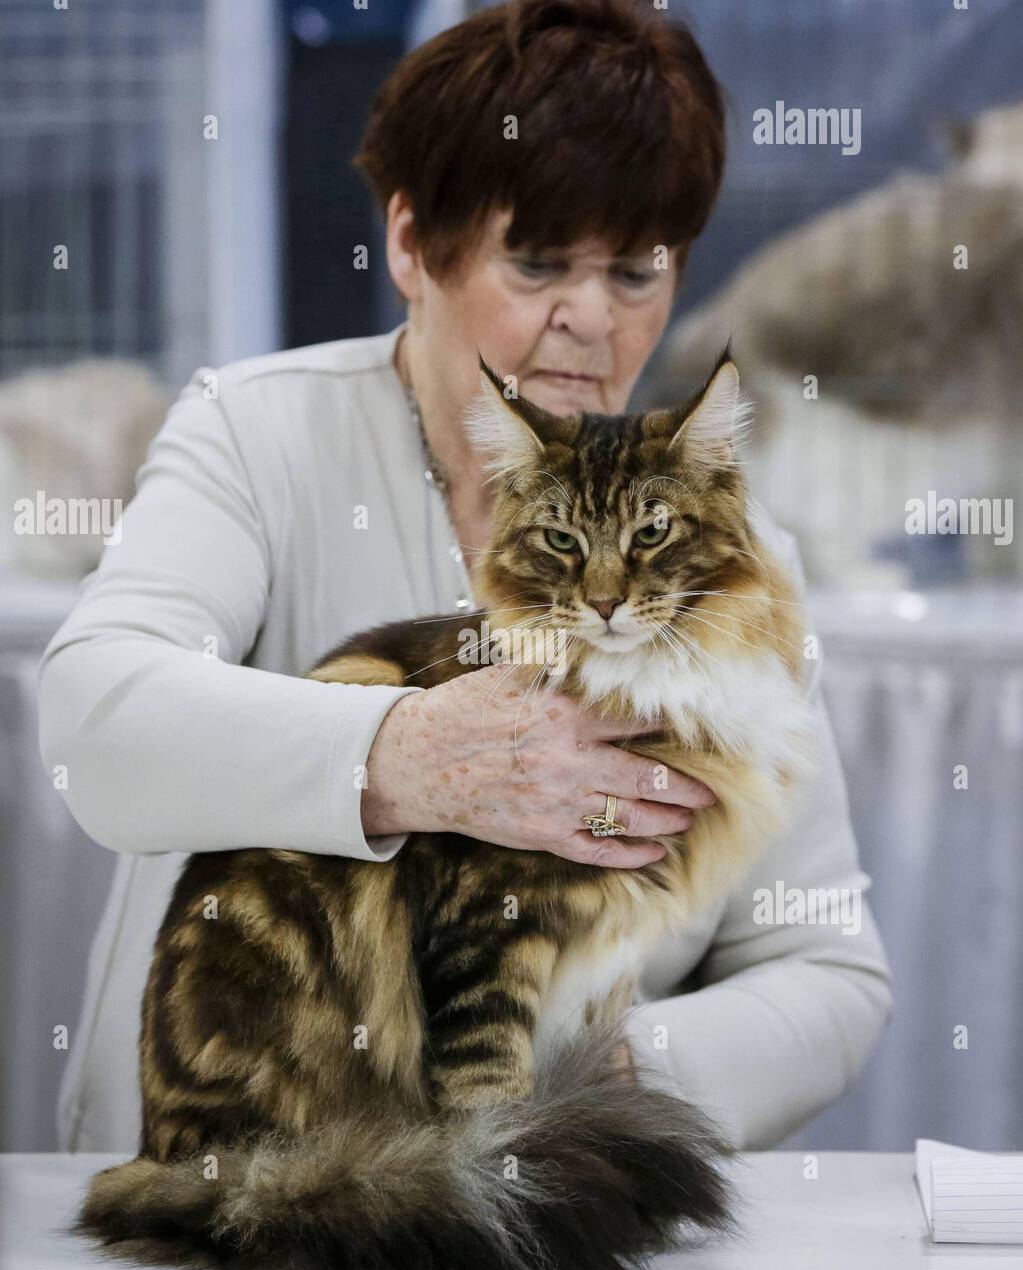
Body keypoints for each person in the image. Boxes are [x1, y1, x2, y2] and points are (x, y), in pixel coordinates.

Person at [38, 0, 892, 1156]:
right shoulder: (254, 434)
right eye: (537, 261)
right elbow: (94, 721)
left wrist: (593, 1071)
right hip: (227, 1186)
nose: (590, 318)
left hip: (527, 1211)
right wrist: (409, 761)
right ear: (408, 244)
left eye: (637, 271)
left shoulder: (732, 569)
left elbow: (828, 970)